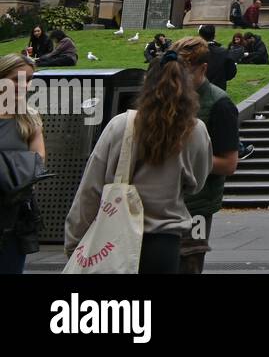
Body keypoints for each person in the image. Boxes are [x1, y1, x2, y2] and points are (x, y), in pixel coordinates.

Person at [65, 50, 213, 274]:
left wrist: (74, 242)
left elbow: (90, 189)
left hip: (113, 238)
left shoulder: (120, 126)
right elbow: (197, 183)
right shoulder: (196, 130)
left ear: (146, 83)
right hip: (165, 243)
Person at [167, 38, 240, 274]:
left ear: (203, 69)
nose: (179, 79)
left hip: (196, 208)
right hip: (161, 203)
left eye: (186, 72)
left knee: (188, 264)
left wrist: (179, 161)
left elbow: (228, 164)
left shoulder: (220, 104)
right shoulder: (162, 98)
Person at [0, 53, 44, 274]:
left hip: (14, 214)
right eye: (16, 79)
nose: (23, 85)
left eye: (28, 80)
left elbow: (38, 161)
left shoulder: (29, 118)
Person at [198, 25, 238, 91]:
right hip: (218, 88)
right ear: (214, 36)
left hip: (198, 89)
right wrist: (222, 78)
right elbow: (231, 72)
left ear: (200, 36)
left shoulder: (194, 51)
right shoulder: (224, 52)